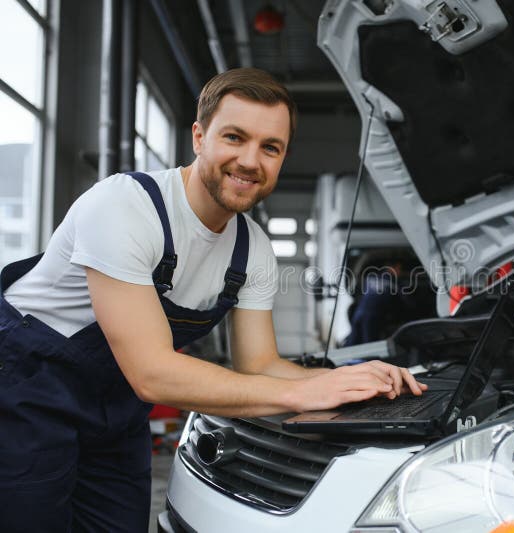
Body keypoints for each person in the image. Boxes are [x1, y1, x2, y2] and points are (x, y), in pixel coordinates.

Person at [0, 68, 426, 532]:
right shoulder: (125, 206)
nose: (250, 160)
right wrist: (301, 392)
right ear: (199, 137)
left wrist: (348, 382)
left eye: (270, 147)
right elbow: (152, 373)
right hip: (27, 388)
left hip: (116, 410)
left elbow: (259, 364)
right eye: (234, 137)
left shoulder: (253, 248)